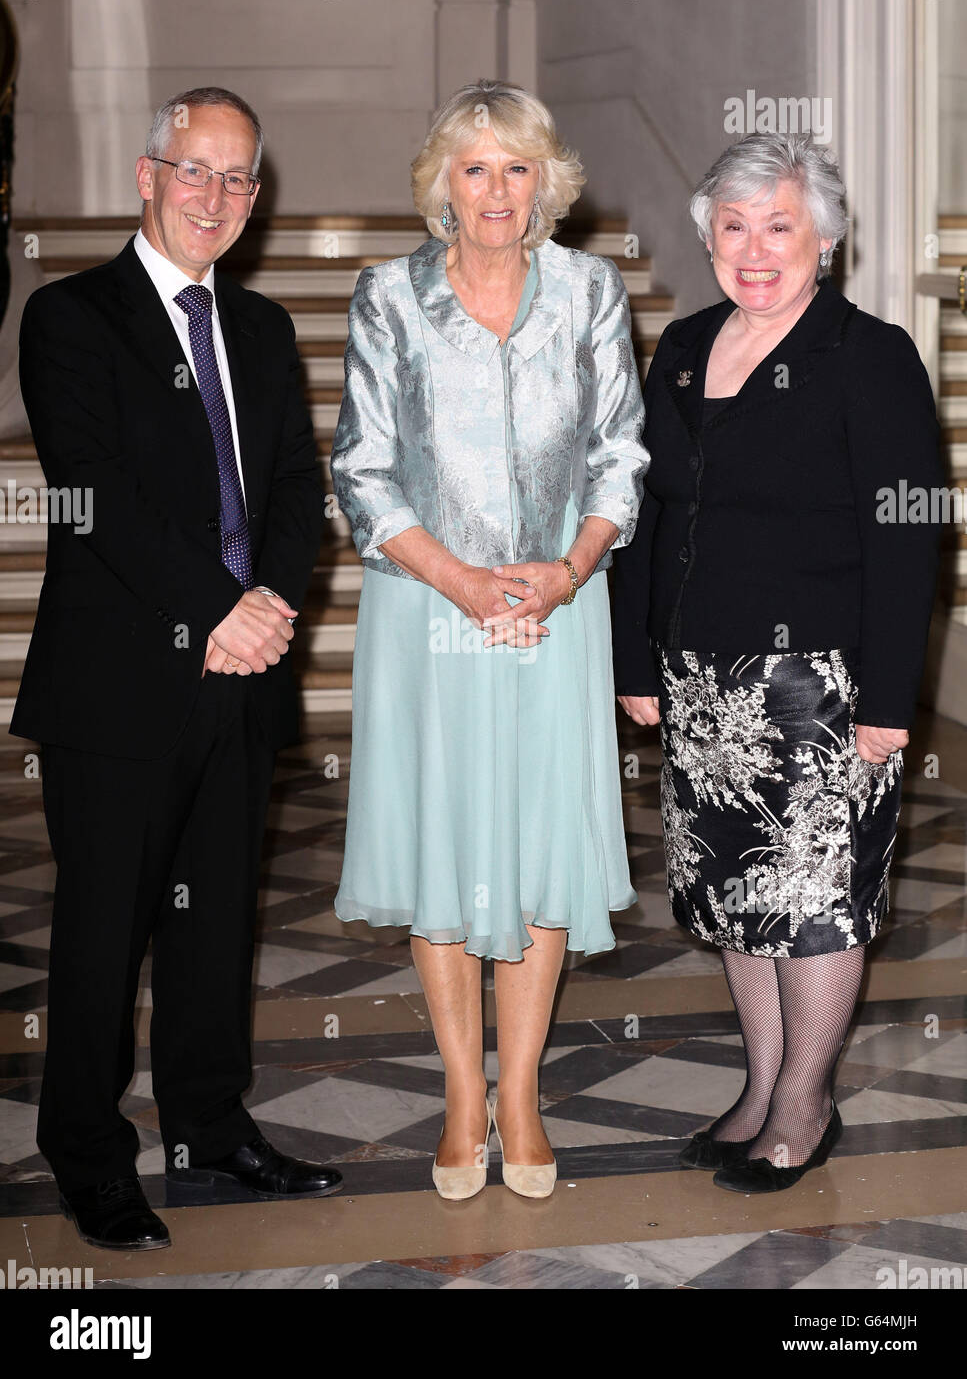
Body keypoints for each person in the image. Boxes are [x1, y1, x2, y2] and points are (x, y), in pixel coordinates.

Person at [11, 86, 341, 1250]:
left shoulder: (257, 329)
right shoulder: (69, 317)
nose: (214, 196)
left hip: (239, 679)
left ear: (256, 199)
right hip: (118, 685)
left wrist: (266, 609)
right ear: (146, 177)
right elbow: (93, 495)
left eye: (237, 177)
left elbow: (299, 490)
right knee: (105, 930)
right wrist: (216, 608)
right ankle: (88, 1155)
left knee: (215, 927)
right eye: (192, 170)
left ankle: (209, 1126)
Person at [331, 79, 647, 1201]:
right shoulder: (388, 298)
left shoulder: (589, 291)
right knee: (445, 841)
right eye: (474, 168)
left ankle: (523, 1095)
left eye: (516, 166)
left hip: (558, 609)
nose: (496, 190)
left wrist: (566, 571)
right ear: (441, 186)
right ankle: (465, 1095)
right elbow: (360, 472)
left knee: (537, 845)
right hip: (429, 611)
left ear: (545, 180)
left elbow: (620, 454)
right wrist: (463, 582)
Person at [612, 131, 943, 1193]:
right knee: (732, 898)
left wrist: (888, 702)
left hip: (822, 686)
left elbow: (907, 532)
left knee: (815, 904)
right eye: (733, 226)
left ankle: (804, 1101)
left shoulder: (869, 354)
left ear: (826, 239)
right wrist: (635, 657)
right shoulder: (681, 343)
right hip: (701, 678)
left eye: (779, 226)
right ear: (708, 235)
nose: (754, 250)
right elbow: (646, 514)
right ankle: (758, 1087)